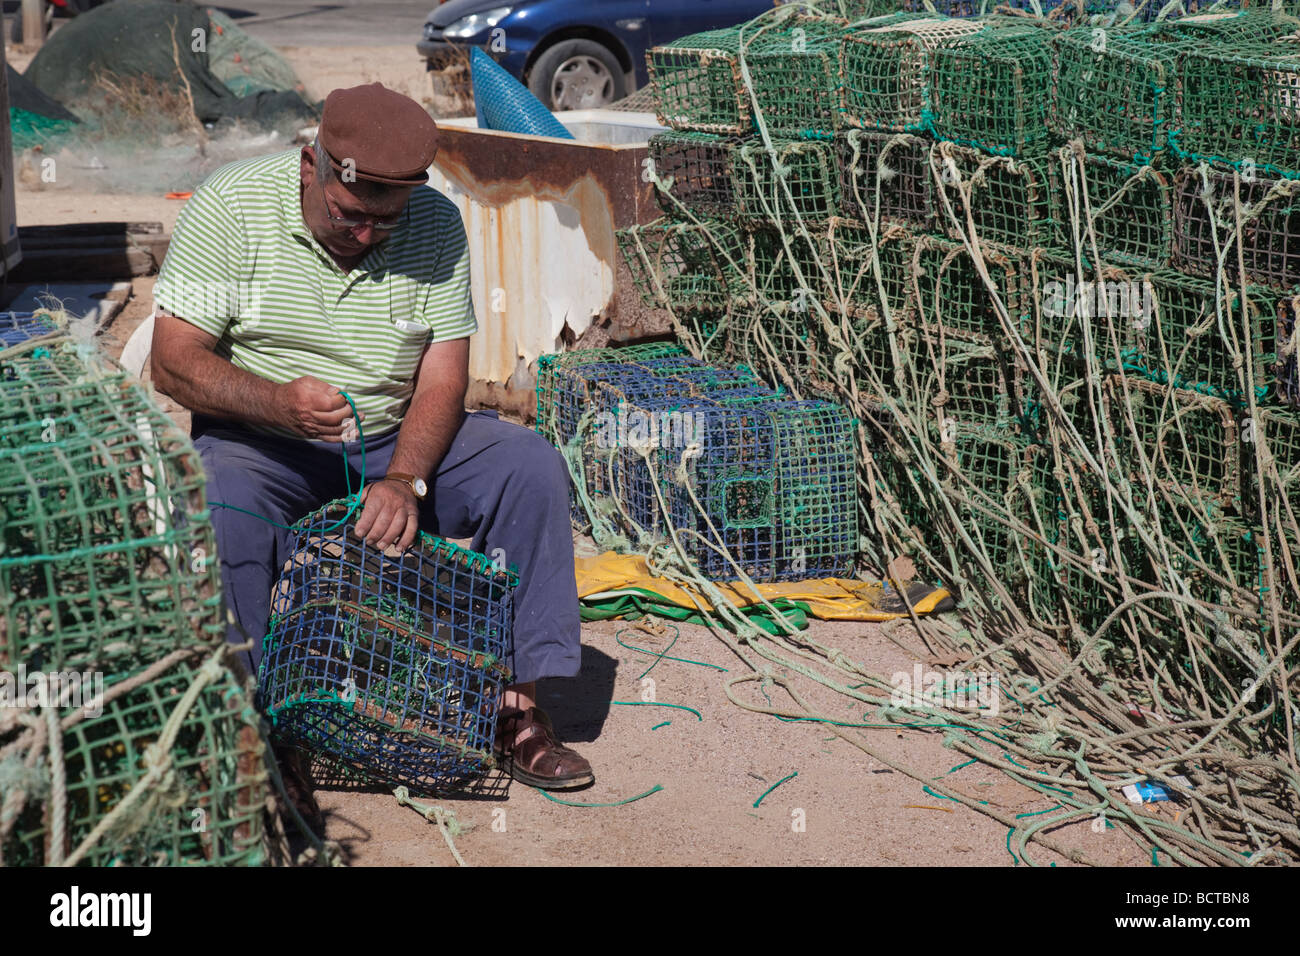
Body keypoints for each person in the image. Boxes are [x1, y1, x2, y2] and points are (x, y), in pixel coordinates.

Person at [150, 84, 594, 821]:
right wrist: (276, 402)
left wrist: (405, 481)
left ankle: (516, 708)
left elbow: (444, 375)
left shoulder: (435, 224)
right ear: (310, 164)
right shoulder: (229, 205)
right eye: (351, 215)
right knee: (219, 494)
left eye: (385, 222)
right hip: (264, 439)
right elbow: (171, 363)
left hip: (393, 437)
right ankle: (258, 729)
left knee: (529, 465)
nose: (366, 235)